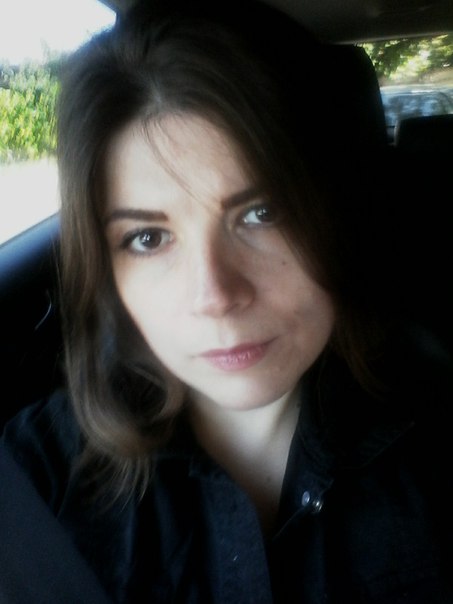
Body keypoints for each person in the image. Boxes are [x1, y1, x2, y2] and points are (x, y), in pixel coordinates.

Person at [2, 1, 452, 602]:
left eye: (262, 214)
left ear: (338, 217)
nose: (213, 296)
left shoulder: (438, 440)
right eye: (147, 238)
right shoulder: (31, 481)